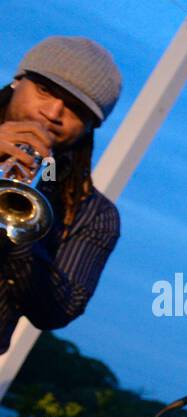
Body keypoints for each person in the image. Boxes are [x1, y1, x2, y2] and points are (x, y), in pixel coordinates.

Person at [0, 36, 122, 353]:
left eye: (75, 109)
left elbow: (57, 310)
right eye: (46, 90)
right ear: (18, 80)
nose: (53, 112)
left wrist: (24, 236)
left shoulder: (93, 213)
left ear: (89, 127)